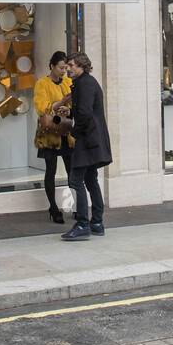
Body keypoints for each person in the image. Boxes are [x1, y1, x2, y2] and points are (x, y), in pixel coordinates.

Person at [60, 52, 111, 241]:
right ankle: (96, 222)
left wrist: (73, 132)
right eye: (67, 66)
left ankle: (82, 224)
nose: (68, 69)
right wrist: (71, 110)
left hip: (88, 139)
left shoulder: (85, 83)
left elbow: (85, 113)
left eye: (72, 65)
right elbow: (85, 109)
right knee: (90, 179)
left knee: (75, 180)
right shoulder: (86, 82)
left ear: (82, 66)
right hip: (92, 138)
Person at [34, 51, 74, 224]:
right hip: (49, 133)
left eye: (65, 67)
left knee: (72, 170)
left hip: (66, 132)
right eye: (60, 67)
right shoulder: (42, 83)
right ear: (52, 66)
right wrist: (64, 100)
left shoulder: (68, 82)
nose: (63, 71)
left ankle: (76, 206)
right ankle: (53, 207)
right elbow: (43, 108)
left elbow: (74, 105)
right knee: (50, 170)